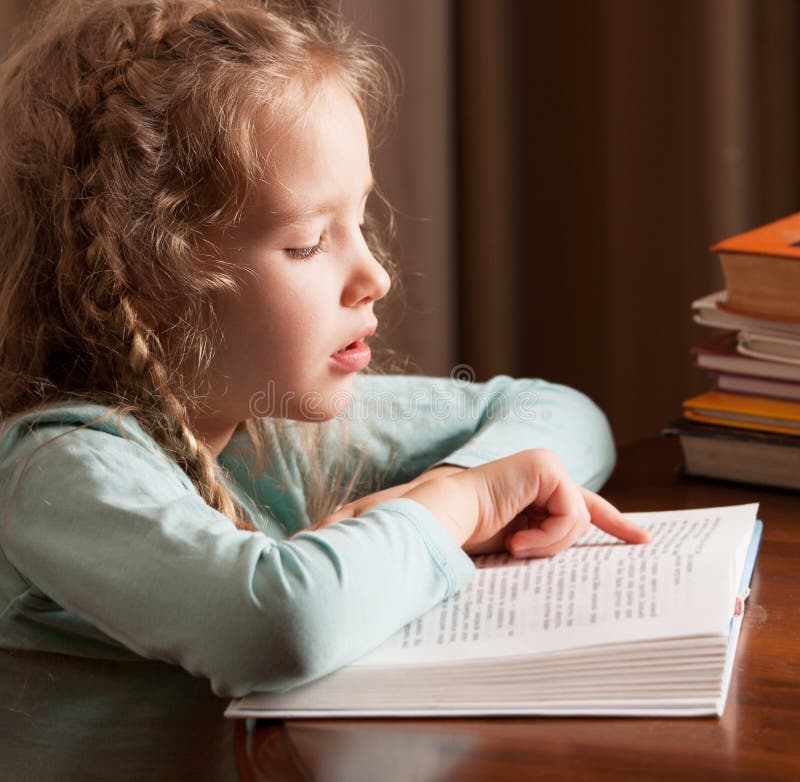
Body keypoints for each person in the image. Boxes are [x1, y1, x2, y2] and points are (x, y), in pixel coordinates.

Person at [0, 0, 649, 778]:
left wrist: (452, 476)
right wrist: (461, 506)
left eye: (362, 218)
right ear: (152, 275)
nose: (374, 274)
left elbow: (563, 415)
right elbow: (275, 623)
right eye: (309, 242)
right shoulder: (53, 470)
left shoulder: (269, 417)